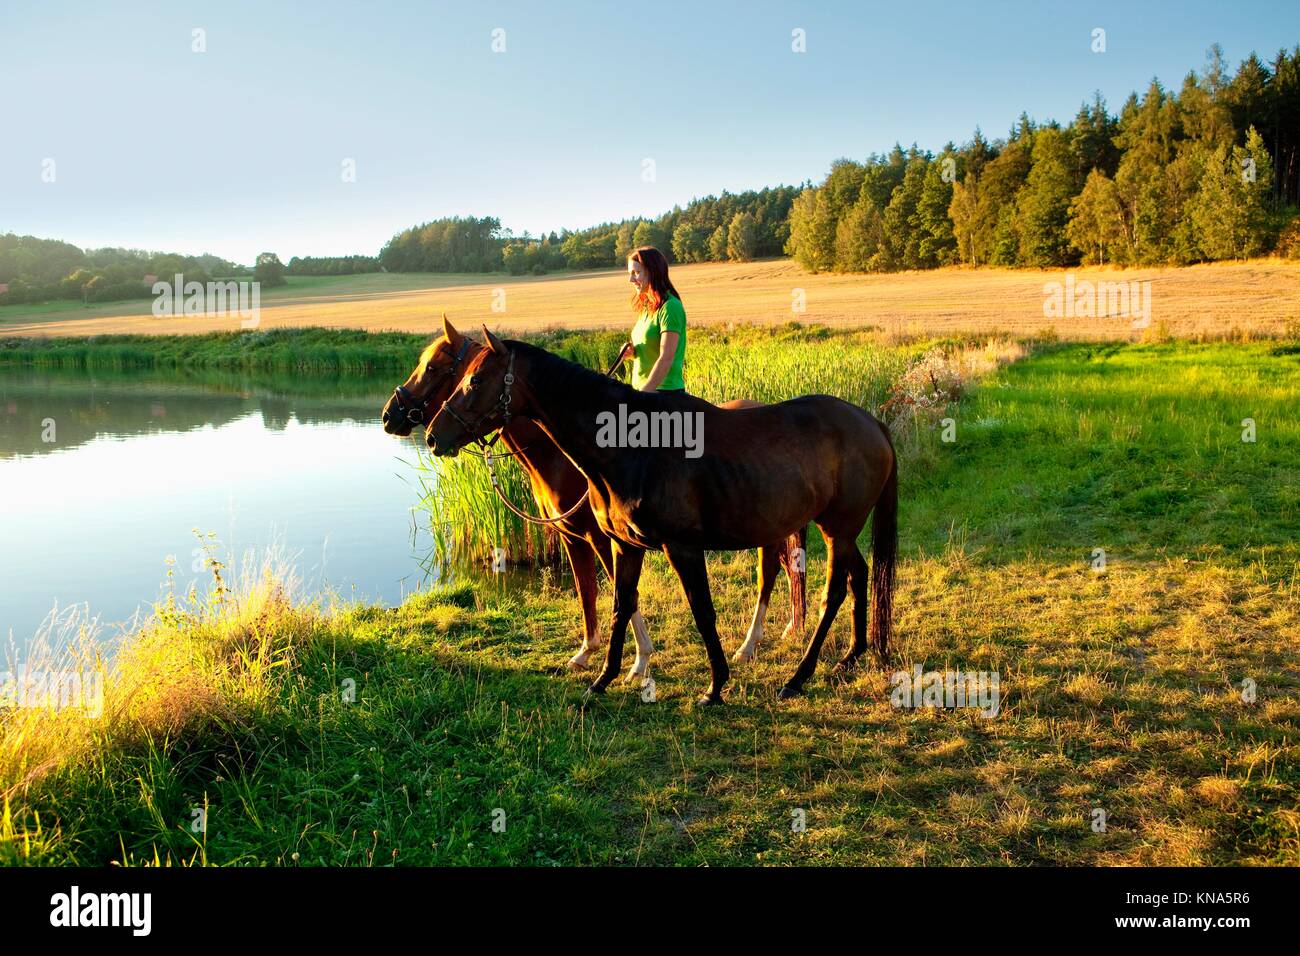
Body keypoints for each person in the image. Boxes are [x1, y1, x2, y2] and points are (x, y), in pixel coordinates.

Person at [619, 246, 687, 392]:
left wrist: (643, 395)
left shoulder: (670, 307)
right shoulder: (646, 307)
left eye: (636, 273)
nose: (631, 279)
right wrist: (633, 352)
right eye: (630, 273)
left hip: (664, 393)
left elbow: (666, 358)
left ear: (653, 272)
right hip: (643, 391)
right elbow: (650, 349)